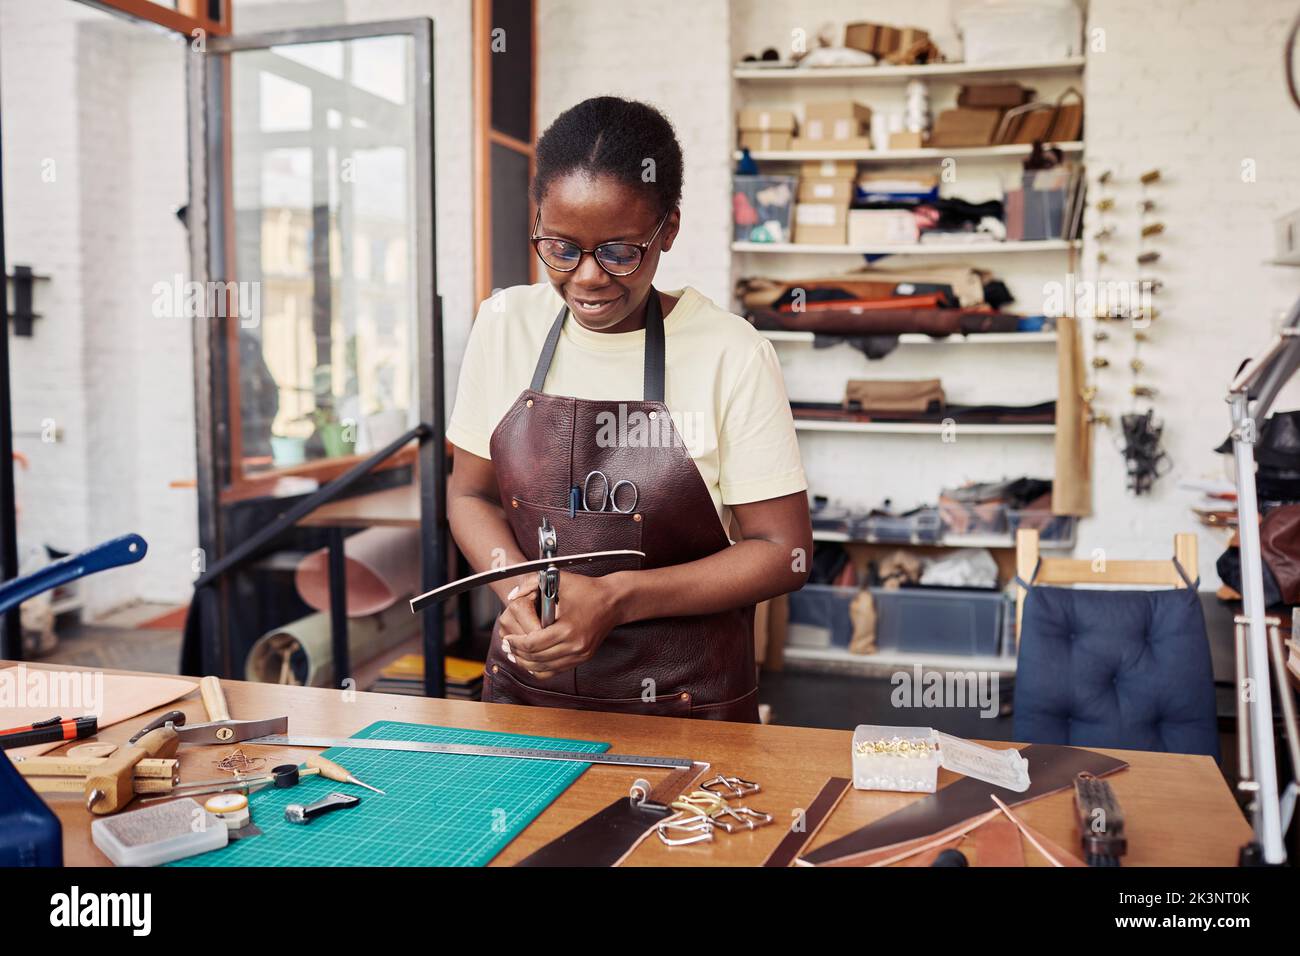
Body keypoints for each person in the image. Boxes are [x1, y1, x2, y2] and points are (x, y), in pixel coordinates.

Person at [446, 96, 811, 722]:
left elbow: (783, 549)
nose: (587, 277)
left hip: (686, 705)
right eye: (560, 248)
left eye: (619, 252)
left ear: (667, 229)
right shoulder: (504, 323)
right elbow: (469, 496)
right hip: (528, 694)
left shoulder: (732, 351)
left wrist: (616, 598)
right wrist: (523, 592)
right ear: (536, 220)